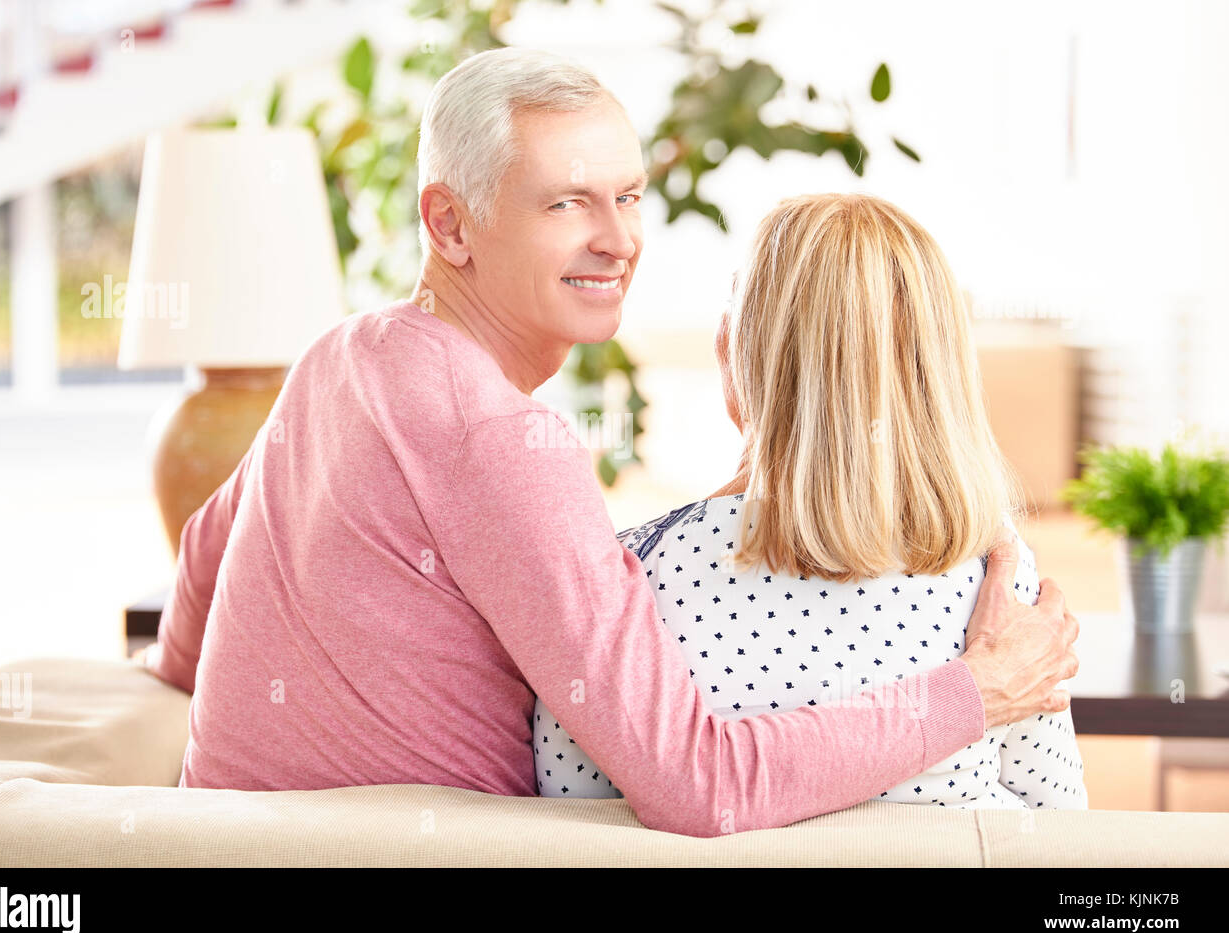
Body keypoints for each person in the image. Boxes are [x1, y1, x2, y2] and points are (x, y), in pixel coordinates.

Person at [138, 48, 1079, 838]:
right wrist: (978, 691)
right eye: (567, 204)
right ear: (449, 224)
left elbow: (201, 563)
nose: (618, 239)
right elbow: (698, 782)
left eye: (628, 197)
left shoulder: (338, 357)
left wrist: (173, 696)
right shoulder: (501, 441)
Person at [535, 194, 1087, 810]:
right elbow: (1060, 824)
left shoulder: (628, 578)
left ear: (731, 351)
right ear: (942, 370)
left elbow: (573, 814)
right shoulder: (998, 583)